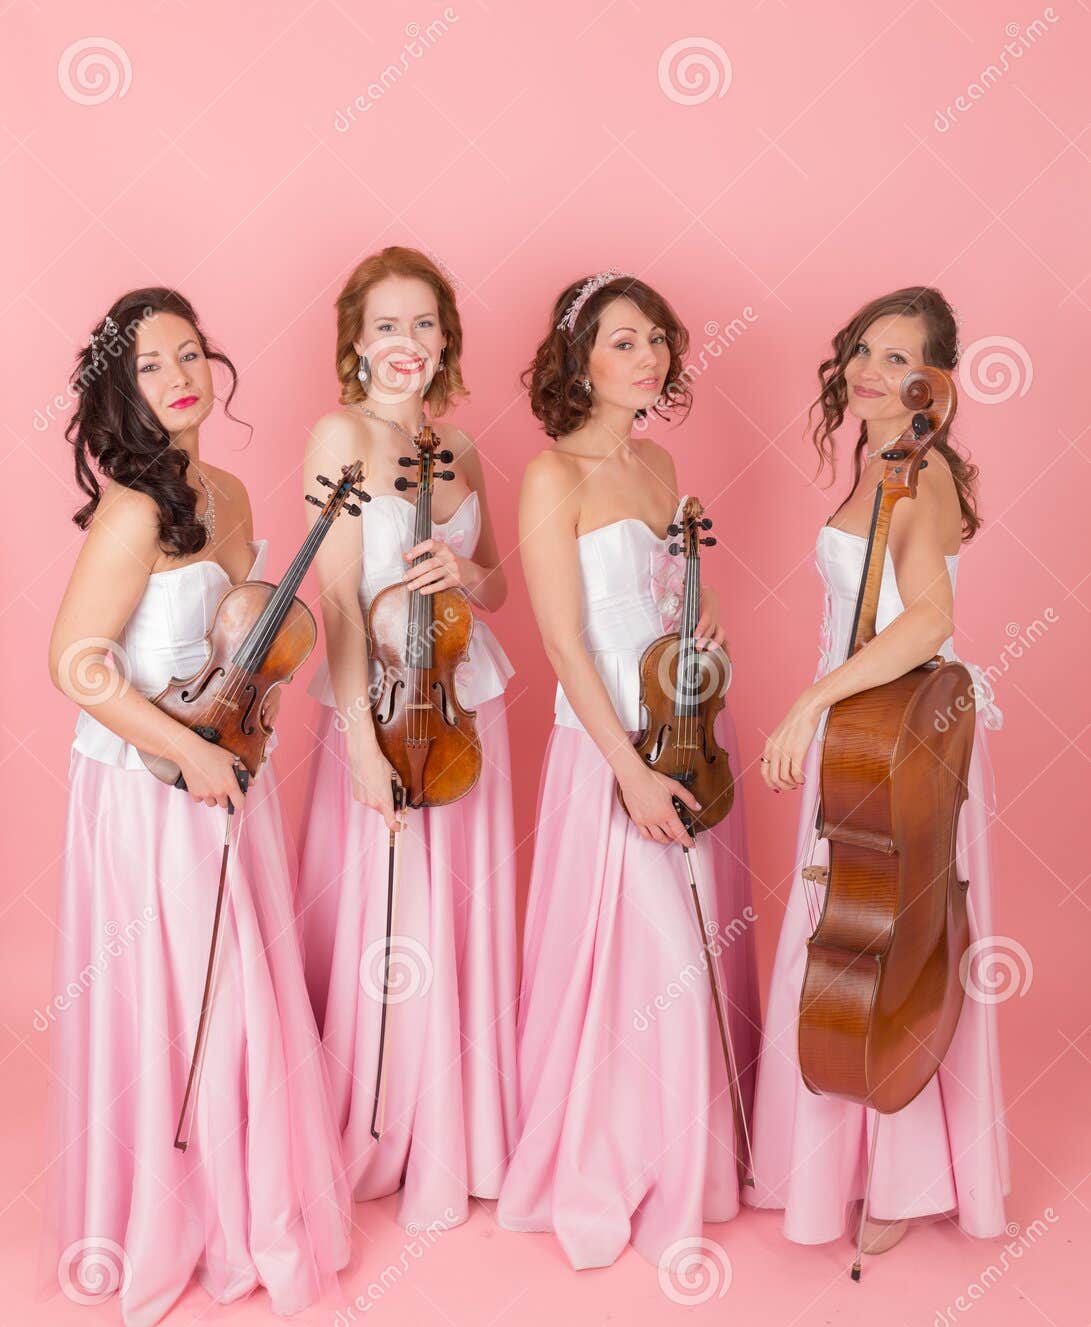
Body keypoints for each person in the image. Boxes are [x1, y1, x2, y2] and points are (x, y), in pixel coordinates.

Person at [44, 288, 350, 1327]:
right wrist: (186, 753)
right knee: (179, 987)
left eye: (188, 355)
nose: (178, 377)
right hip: (149, 778)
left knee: (234, 978)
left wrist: (234, 729)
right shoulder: (133, 509)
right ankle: (174, 1214)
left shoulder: (227, 491)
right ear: (121, 393)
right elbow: (75, 664)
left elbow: (242, 638)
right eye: (150, 366)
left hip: (226, 762)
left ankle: (239, 1203)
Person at [497, 271, 760, 1271]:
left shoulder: (660, 463)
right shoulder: (550, 475)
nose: (647, 356)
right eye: (621, 341)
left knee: (687, 949)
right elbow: (564, 643)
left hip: (685, 723)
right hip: (611, 742)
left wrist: (707, 612)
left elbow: (674, 593)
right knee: (652, 960)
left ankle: (694, 1158)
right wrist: (628, 774)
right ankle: (631, 1162)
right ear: (578, 362)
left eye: (654, 339)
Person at [749, 286, 1008, 1254]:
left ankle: (900, 1179)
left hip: (899, 736)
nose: (868, 371)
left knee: (891, 943)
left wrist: (808, 702)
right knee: (850, 936)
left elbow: (929, 619)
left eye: (896, 359)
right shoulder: (876, 459)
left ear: (932, 382)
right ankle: (844, 1169)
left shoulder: (920, 472)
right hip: (862, 727)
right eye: (861, 350)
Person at [297, 248, 518, 1232]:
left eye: (424, 323)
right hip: (380, 705)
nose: (407, 341)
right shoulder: (339, 435)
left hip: (466, 699)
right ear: (356, 340)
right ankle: (383, 1119)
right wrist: (358, 745)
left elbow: (497, 583)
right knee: (391, 916)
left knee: (458, 910)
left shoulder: (458, 447)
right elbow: (340, 597)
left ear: (444, 338)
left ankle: (458, 1130)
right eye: (387, 324)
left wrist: (462, 575)